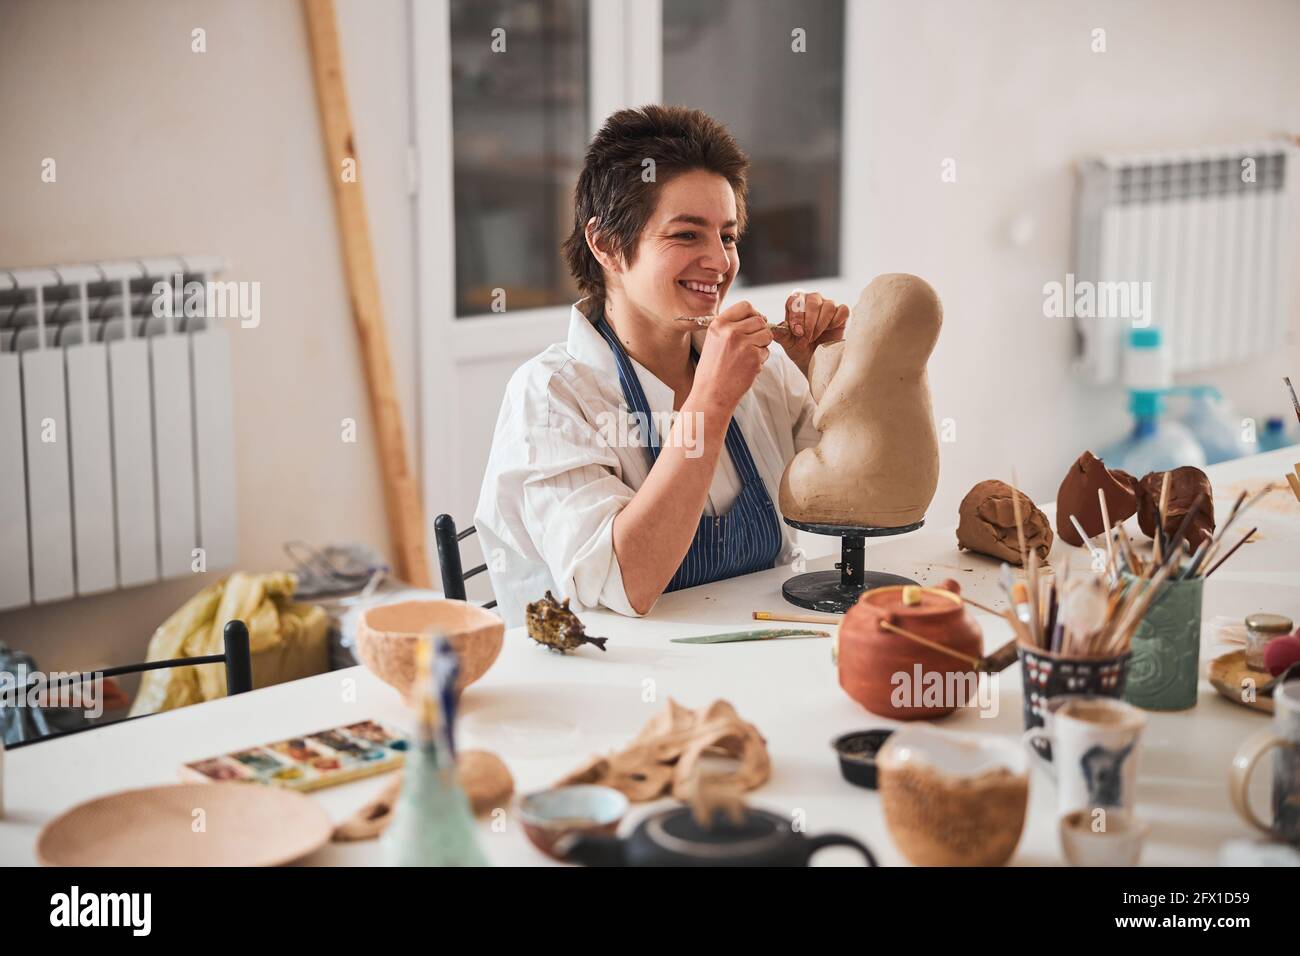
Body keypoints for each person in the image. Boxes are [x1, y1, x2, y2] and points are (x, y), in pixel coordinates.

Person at [475, 105, 848, 626]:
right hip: (603, 689)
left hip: (762, 663)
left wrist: (826, 374)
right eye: (687, 235)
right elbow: (628, 582)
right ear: (606, 245)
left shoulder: (762, 370)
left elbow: (854, 500)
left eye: (728, 236)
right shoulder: (552, 396)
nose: (720, 262)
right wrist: (712, 402)